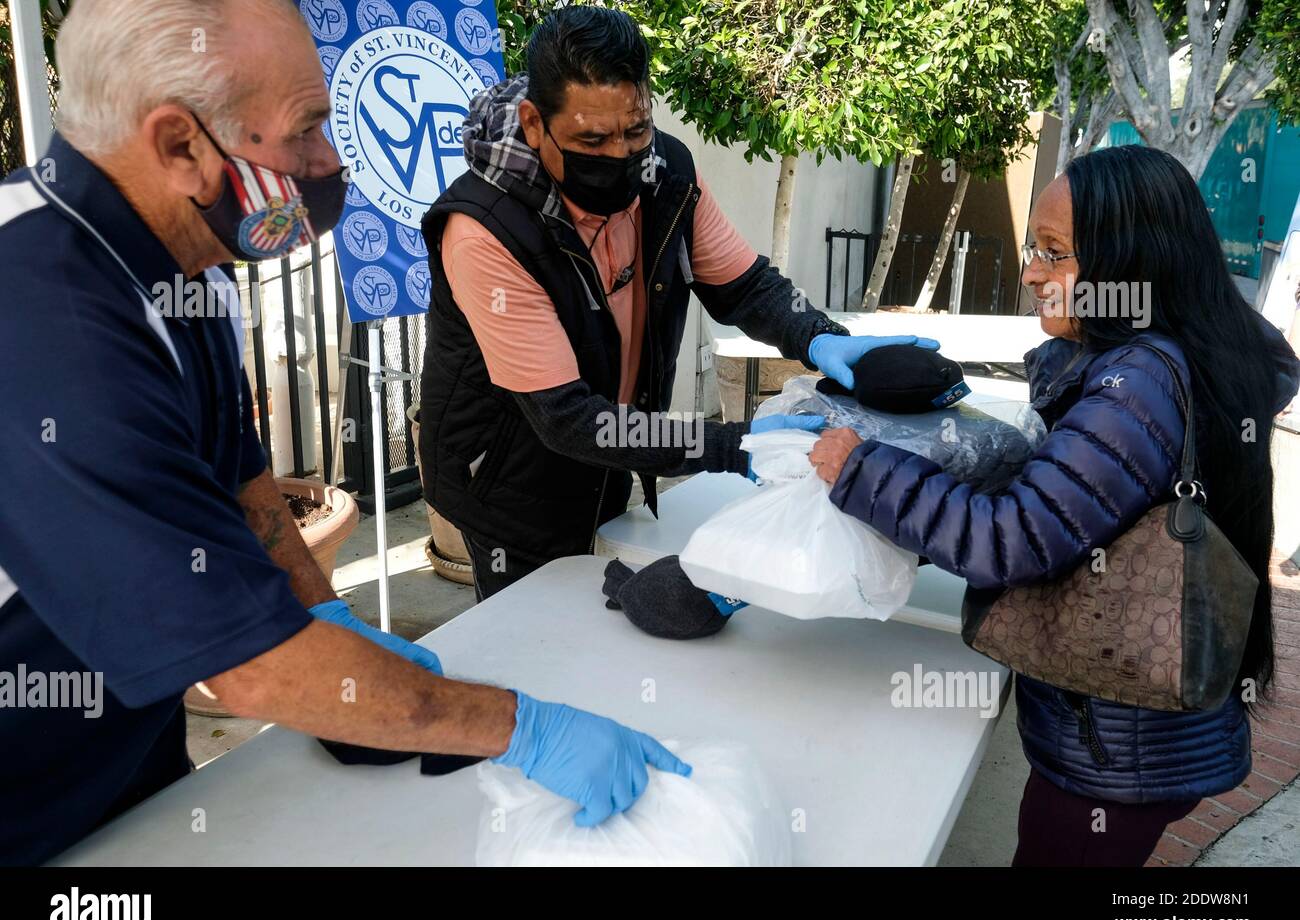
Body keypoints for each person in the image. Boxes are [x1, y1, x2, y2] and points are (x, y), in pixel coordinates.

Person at [0, 0, 686, 866]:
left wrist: (326, 613)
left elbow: (243, 488)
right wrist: (517, 726)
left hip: (130, 779)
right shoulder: (42, 310)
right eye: (307, 131)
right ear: (179, 145)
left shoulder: (188, 270)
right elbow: (242, 663)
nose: (331, 164)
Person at [811, 145, 1300, 867]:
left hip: (1115, 757)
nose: (1032, 272)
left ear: (1131, 263)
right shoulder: (1193, 350)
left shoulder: (1138, 385)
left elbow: (1008, 540)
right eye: (1032, 248)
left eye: (1058, 253)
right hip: (1149, 735)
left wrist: (863, 468)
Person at [419, 6, 936, 600]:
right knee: (537, 635)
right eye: (592, 139)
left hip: (608, 453)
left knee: (609, 605)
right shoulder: (485, 229)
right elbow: (565, 419)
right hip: (509, 478)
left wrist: (821, 338)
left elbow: (746, 286)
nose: (620, 155)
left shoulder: (667, 175)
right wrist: (730, 446)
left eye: (635, 131)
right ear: (535, 125)